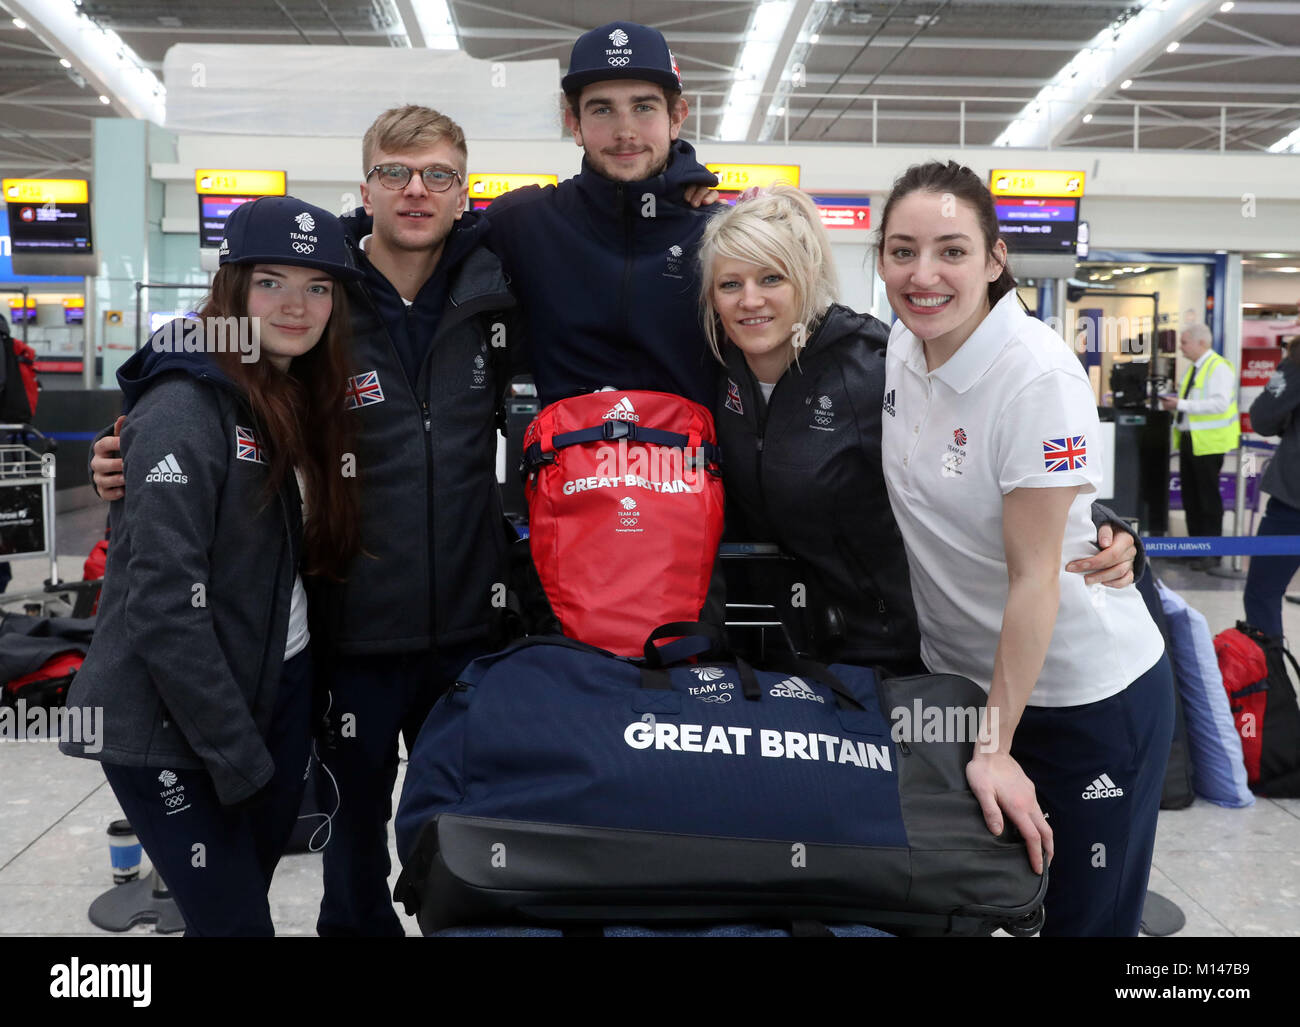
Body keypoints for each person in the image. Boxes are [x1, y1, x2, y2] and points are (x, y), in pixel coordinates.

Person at [90, 105, 520, 937]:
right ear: (366, 189)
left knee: (458, 829)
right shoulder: (326, 287)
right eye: (395, 172)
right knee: (351, 836)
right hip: (349, 624)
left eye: (437, 174)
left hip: (469, 623)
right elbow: (208, 361)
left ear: (465, 193)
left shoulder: (497, 288)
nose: (415, 190)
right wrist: (125, 438)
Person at [875, 161, 1172, 936]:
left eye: (951, 250)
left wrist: (994, 745)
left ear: (995, 259)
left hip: (1080, 701)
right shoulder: (900, 352)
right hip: (959, 689)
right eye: (902, 251)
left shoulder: (1034, 373)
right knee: (964, 907)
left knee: (1082, 920)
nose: (924, 273)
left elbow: (1036, 575)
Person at [60, 196, 362, 936]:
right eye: (271, 281)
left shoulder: (286, 395)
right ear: (231, 290)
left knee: (232, 912)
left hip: (265, 694)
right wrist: (239, 755)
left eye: (318, 286)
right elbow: (164, 607)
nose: (296, 304)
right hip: (174, 722)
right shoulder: (186, 404)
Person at [700, 185, 1143, 675]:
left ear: (806, 280)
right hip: (760, 646)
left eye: (772, 278)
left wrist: (1102, 522)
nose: (751, 300)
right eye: (730, 284)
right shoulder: (708, 373)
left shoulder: (875, 366)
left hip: (881, 654)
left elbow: (968, 451)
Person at [484, 21, 721, 407]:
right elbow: (417, 247)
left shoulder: (718, 235)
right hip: (559, 462)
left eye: (643, 107)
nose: (624, 131)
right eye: (602, 110)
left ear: (676, 117)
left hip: (692, 462)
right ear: (574, 124)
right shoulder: (521, 224)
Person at [1160, 322, 1240, 569]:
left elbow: (1219, 404)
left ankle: (1212, 553)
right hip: (1191, 440)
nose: (1181, 348)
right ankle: (1194, 548)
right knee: (1191, 498)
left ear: (1201, 343)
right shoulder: (1196, 368)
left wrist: (1180, 405)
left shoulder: (1218, 368)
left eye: (1184, 342)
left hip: (1209, 443)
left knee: (1207, 499)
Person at [1243, 337, 1300, 639]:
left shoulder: (1295, 362)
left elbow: (1263, 418)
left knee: (1262, 594)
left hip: (1293, 504)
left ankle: (1273, 681)